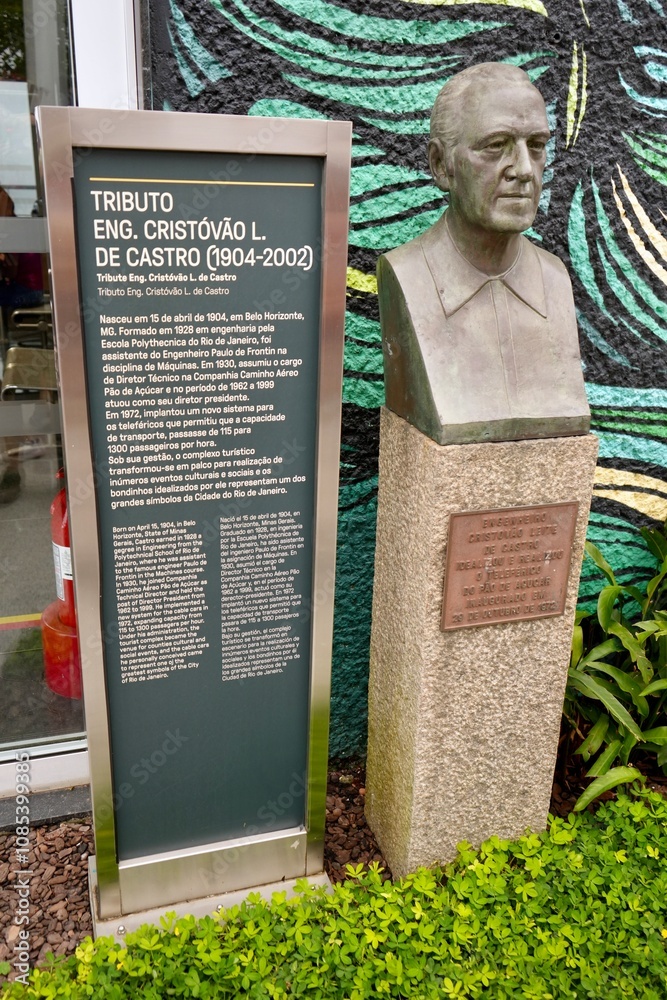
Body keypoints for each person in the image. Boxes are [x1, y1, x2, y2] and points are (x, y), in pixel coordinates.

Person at [377, 62, 590, 446]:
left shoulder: (555, 280)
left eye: (537, 146)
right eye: (496, 146)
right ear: (442, 166)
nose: (525, 170)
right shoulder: (407, 276)